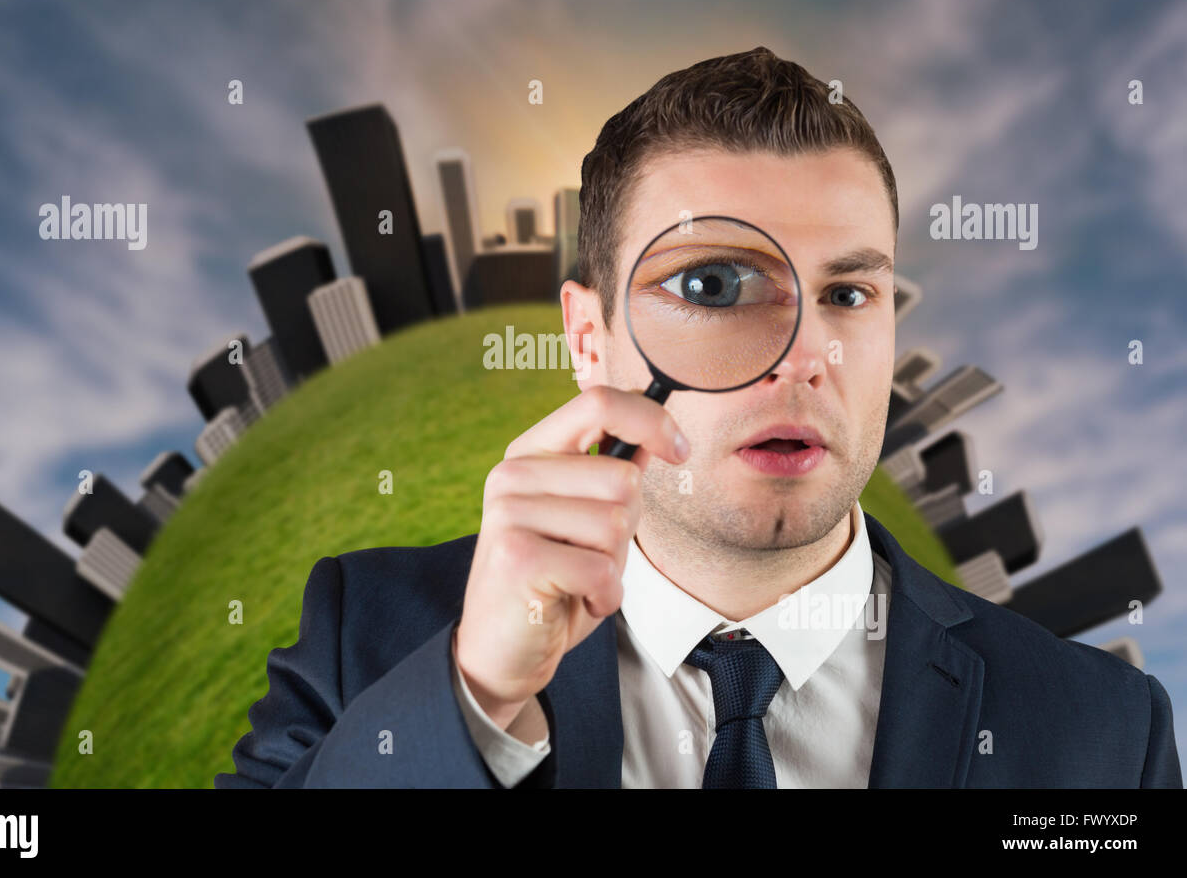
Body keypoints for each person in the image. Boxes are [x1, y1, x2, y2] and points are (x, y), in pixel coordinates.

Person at [215, 47, 1181, 788]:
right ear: (589, 338)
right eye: (713, 284)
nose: (804, 357)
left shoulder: (1098, 732)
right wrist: (475, 704)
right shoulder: (374, 642)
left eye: (848, 294)